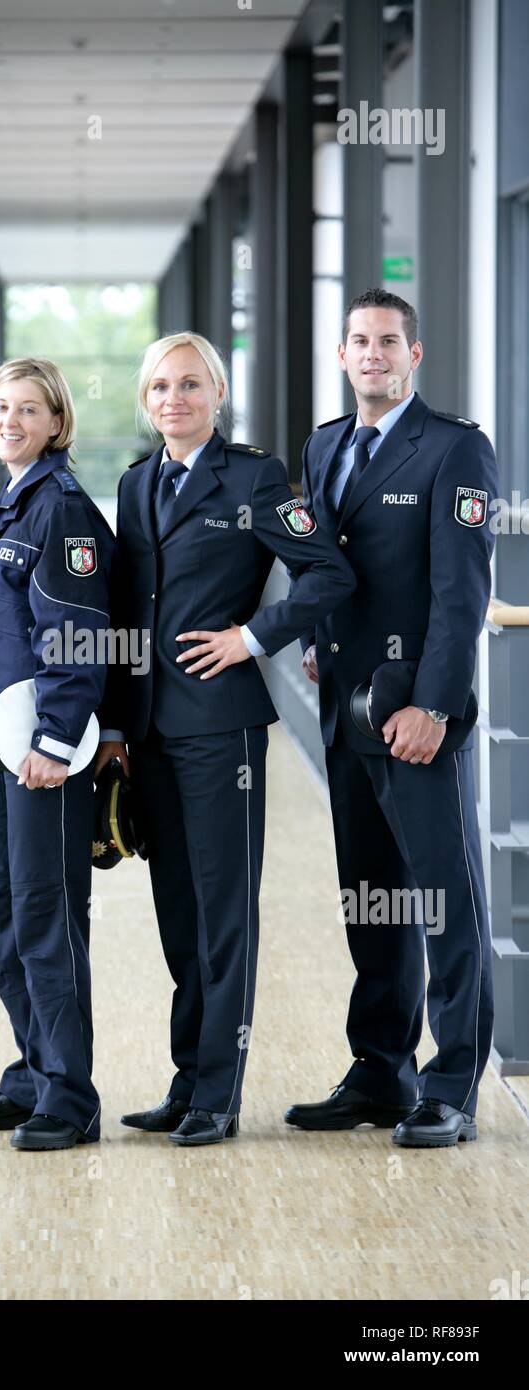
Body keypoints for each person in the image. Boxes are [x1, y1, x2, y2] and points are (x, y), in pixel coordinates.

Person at [96, 331, 356, 1145]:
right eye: (161, 388)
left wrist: (253, 637)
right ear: (147, 402)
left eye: (190, 385)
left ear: (217, 394)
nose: (174, 400)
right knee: (178, 912)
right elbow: (126, 609)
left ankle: (220, 1093)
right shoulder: (136, 484)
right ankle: (186, 1079)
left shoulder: (253, 476)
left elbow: (330, 572)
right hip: (150, 733)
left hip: (222, 729)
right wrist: (112, 726)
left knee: (223, 914)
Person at [283, 287, 498, 1147]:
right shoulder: (324, 444)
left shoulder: (455, 449)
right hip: (345, 711)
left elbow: (461, 597)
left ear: (415, 356)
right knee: (371, 899)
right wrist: (314, 639)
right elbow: (323, 568)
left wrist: (435, 707)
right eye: (358, 340)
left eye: (387, 341)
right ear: (341, 356)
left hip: (415, 718)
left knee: (443, 901)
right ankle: (380, 1069)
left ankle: (451, 1087)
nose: (371, 353)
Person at [0, 357, 115, 1151]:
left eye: (29, 409)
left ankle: (70, 1096)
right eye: (0, 407)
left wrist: (53, 741)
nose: (10, 421)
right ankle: (32, 1071)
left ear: (57, 423)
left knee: (45, 914)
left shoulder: (63, 510)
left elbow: (76, 637)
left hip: (38, 746)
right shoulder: (6, 503)